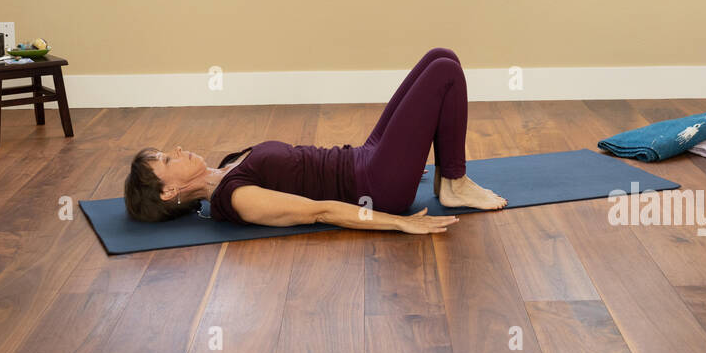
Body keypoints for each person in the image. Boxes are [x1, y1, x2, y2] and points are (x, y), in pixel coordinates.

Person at [124, 48, 506, 234]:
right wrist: (398, 224)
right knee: (444, 74)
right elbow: (318, 211)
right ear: (167, 190)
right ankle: (454, 183)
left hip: (363, 155)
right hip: (375, 184)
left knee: (442, 57)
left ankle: (449, 179)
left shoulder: (226, 167)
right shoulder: (235, 196)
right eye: (164, 158)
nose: (174, 150)